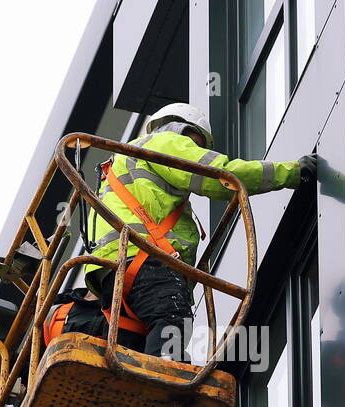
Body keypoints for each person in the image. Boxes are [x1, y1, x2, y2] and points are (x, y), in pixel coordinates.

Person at [44, 103, 317, 359]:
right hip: (143, 260)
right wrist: (292, 173)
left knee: (135, 343)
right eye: (195, 143)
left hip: (112, 268)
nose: (193, 150)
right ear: (182, 129)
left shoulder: (122, 162)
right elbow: (220, 176)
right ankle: (158, 384)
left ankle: (150, 379)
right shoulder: (165, 142)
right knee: (172, 318)